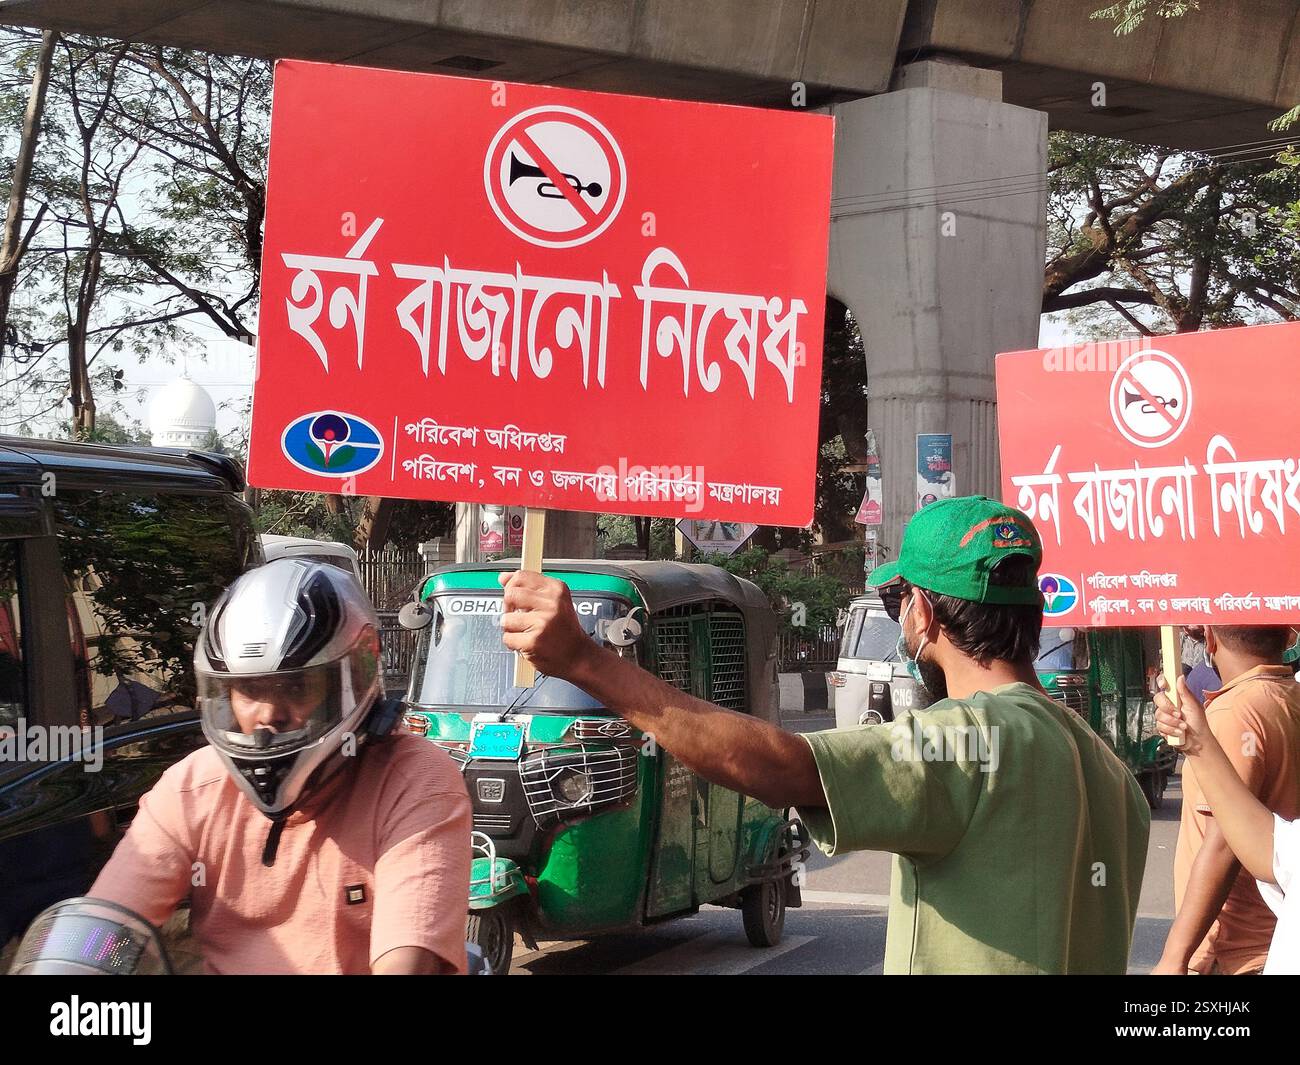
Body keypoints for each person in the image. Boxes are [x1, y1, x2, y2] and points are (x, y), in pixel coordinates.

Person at [498, 496, 1151, 973]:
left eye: (902, 603)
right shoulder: (1110, 769)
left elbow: (783, 767)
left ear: (922, 611)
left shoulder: (969, 741)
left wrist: (588, 663)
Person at [90, 559, 472, 975]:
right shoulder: (193, 787)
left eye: (296, 686)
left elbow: (405, 963)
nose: (270, 714)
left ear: (352, 680)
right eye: (250, 690)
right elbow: (103, 924)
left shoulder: (414, 782)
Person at [1155, 625, 1300, 975]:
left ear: (1209, 639)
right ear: (1288, 638)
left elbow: (1222, 844)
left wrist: (1176, 956)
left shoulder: (1235, 711)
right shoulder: (1289, 695)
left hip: (1238, 952)